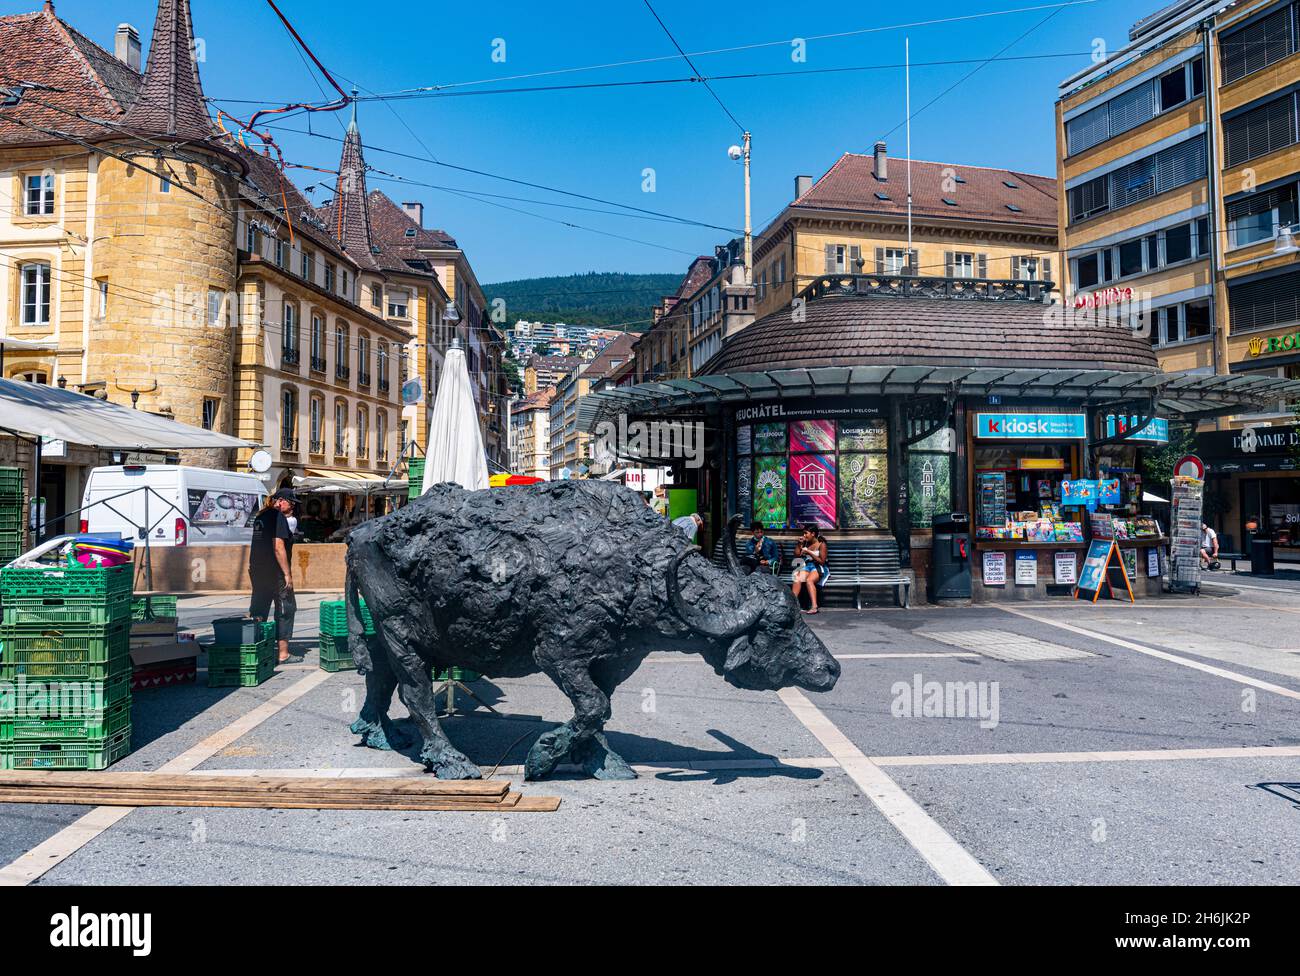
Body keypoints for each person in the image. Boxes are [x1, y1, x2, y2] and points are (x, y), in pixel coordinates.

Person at [249, 488, 298, 663]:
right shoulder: (278, 517)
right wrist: (287, 574)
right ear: (281, 501)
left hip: (257, 569)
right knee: (286, 607)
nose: (292, 507)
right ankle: (283, 654)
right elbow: (278, 547)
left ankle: (255, 648)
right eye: (291, 503)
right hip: (274, 571)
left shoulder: (261, 516)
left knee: (258, 608)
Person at [790, 524, 828, 614]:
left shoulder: (821, 545)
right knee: (797, 578)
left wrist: (809, 552)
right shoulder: (805, 543)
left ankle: (814, 606)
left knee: (809, 580)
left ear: (813, 534)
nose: (804, 535)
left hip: (819, 567)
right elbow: (796, 555)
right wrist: (799, 544)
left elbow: (822, 562)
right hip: (807, 566)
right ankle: (792, 604)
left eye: (805, 533)